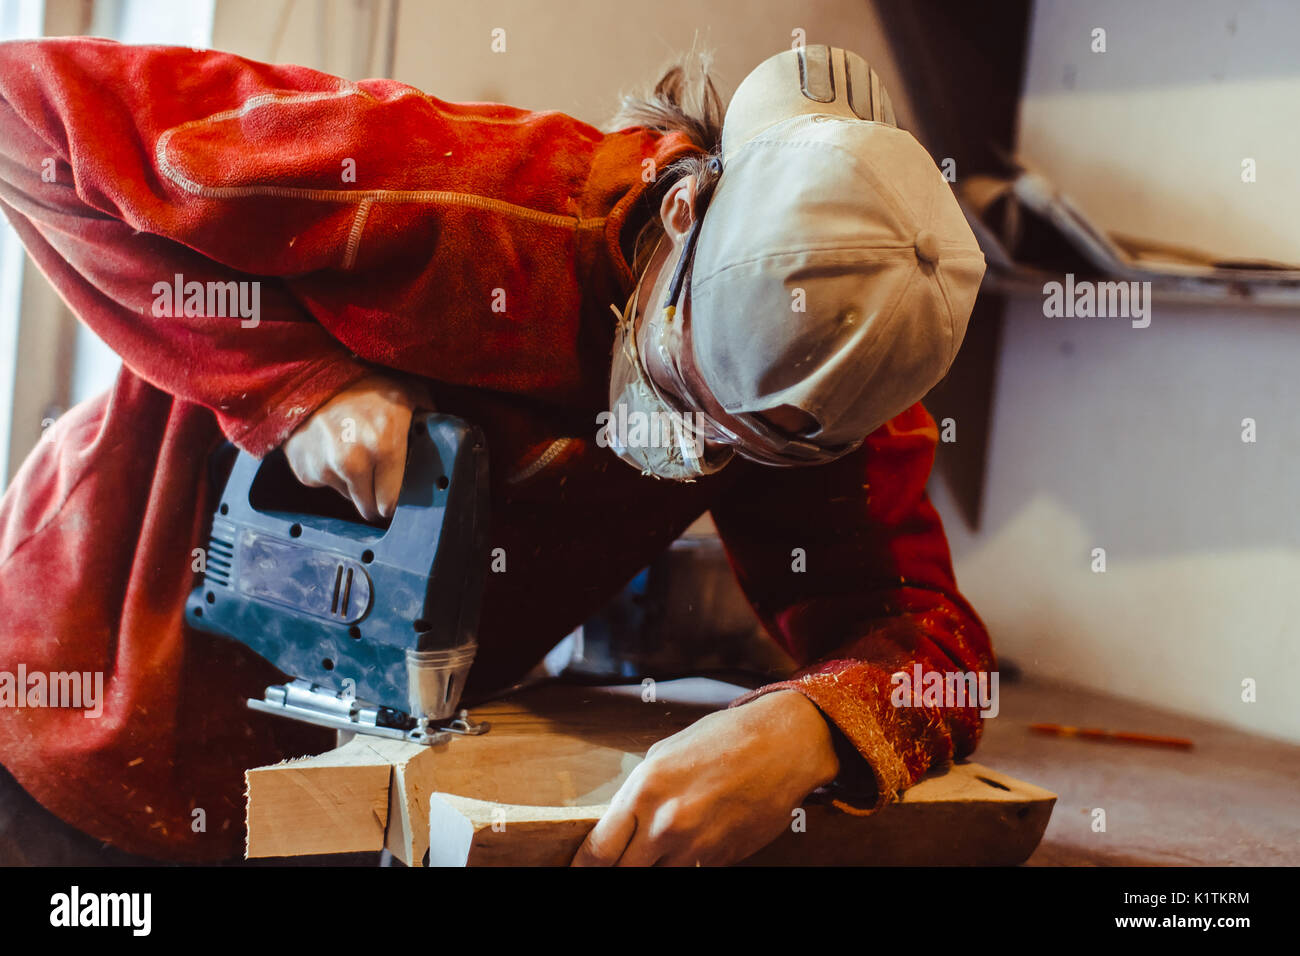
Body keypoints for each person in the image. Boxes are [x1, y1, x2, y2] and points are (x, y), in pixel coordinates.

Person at [0, 37, 991, 866]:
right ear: (685, 214)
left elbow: (930, 640)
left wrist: (807, 727)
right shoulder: (461, 197)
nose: (683, 446)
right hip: (86, 682)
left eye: (733, 445)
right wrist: (293, 386)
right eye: (684, 387)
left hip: (343, 784)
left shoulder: (829, 378)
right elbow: (26, 109)